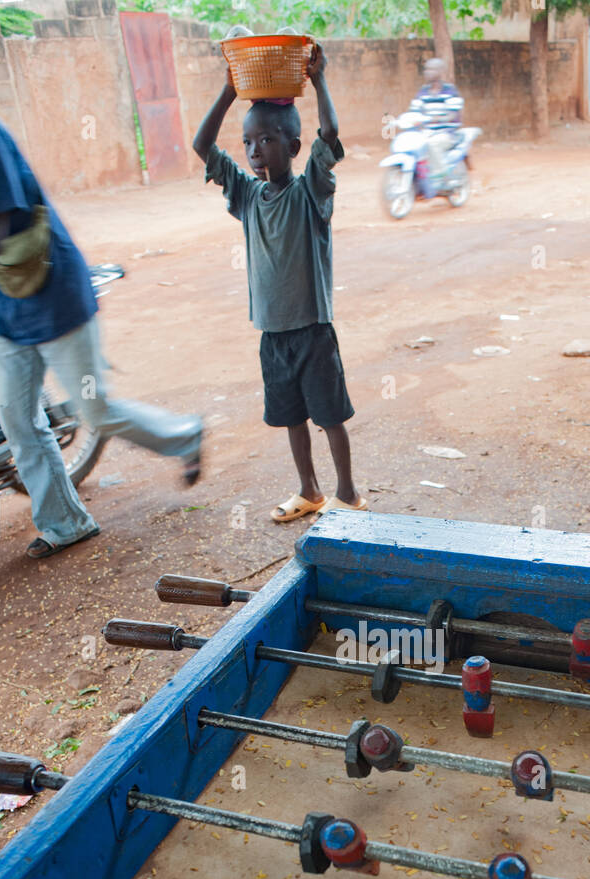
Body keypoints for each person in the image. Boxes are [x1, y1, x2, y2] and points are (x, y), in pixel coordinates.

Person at [0, 102, 203, 559]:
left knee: (97, 411)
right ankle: (65, 522)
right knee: (16, 419)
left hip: (51, 296)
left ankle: (185, 435)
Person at [193, 43, 364, 523]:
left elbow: (328, 134)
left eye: (265, 141)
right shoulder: (247, 196)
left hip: (312, 329)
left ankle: (347, 492)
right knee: (290, 415)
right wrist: (229, 90)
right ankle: (308, 490)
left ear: (291, 147)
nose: (252, 150)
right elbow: (203, 146)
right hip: (272, 332)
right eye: (248, 142)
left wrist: (319, 79)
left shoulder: (310, 191)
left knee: (329, 415)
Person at [411, 58, 466, 182]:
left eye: (431, 69)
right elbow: (414, 109)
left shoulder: (450, 90)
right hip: (427, 132)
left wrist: (440, 119)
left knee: (432, 143)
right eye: (426, 69)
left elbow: (453, 113)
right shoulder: (423, 91)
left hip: (446, 133)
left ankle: (442, 175)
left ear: (440, 72)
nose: (427, 72)